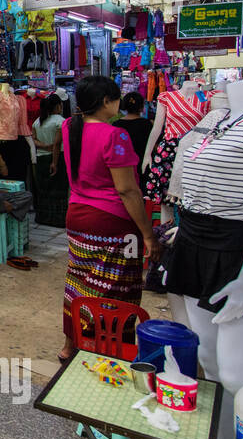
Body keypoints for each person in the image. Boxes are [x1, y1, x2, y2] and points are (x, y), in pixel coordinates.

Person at [59, 75, 160, 362]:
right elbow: (127, 190)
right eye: (116, 98)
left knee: (77, 282)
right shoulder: (115, 135)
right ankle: (112, 350)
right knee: (117, 290)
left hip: (78, 217)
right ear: (106, 101)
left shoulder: (69, 127)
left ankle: (70, 345)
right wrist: (148, 235)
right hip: (112, 222)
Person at [32, 95, 68, 227]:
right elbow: (57, 144)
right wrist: (54, 161)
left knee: (44, 189)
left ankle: (43, 217)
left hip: (41, 158)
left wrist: (43, 146)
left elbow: (34, 139)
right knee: (58, 189)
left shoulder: (38, 121)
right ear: (58, 106)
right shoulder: (61, 121)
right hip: (57, 158)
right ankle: (58, 219)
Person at [112, 92, 153, 190]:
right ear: (142, 107)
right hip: (142, 164)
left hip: (122, 165)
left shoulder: (116, 124)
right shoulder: (147, 124)